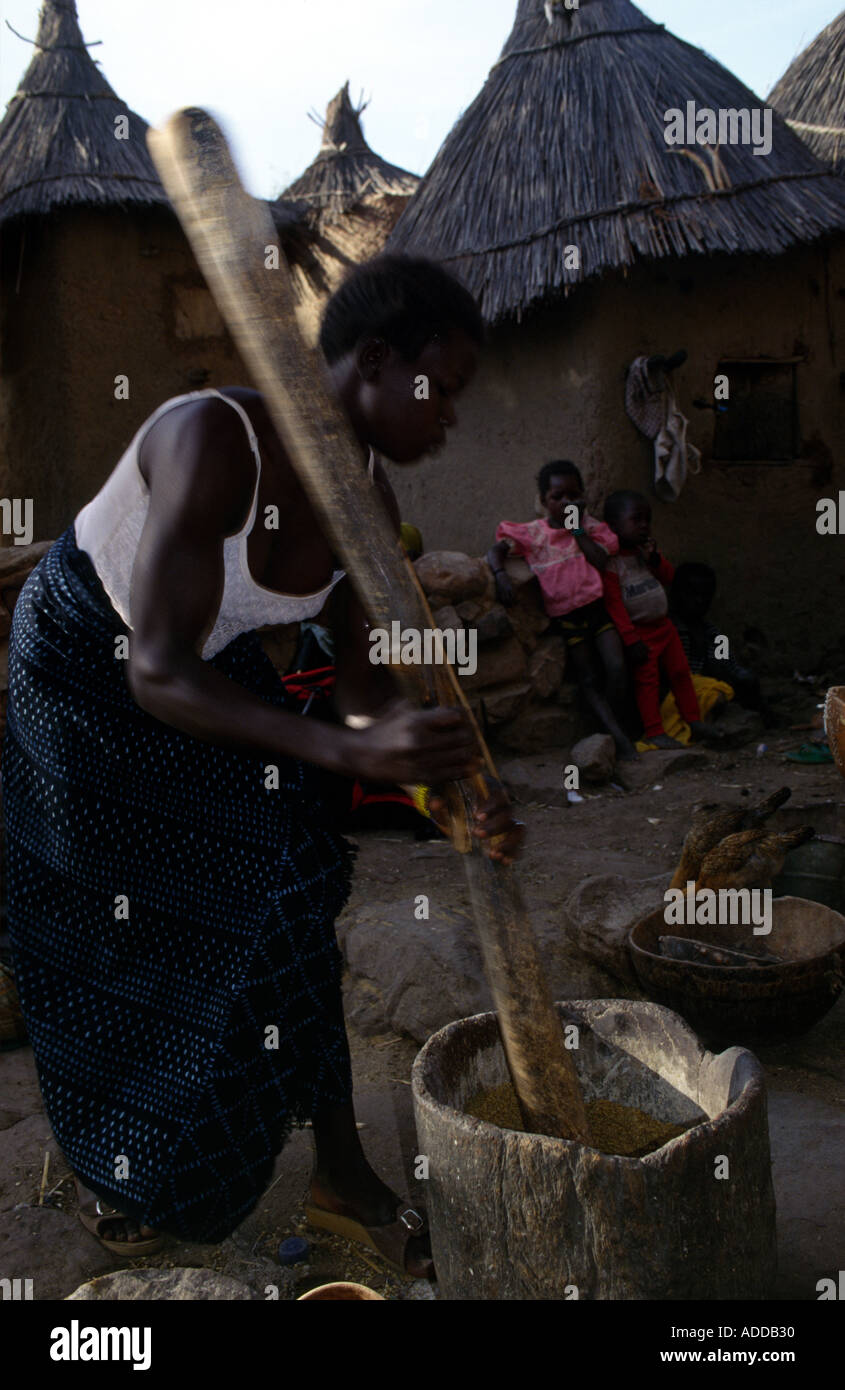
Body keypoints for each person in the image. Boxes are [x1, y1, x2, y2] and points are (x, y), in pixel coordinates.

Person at [1, 254, 523, 1279]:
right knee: (112, 920)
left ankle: (338, 1174)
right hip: (86, 661)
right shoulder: (214, 440)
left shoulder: (364, 503)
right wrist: (346, 747)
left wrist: (439, 785)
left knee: (294, 883)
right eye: (441, 386)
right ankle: (118, 1161)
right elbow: (154, 673)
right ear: (373, 361)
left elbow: (361, 698)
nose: (450, 416)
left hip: (195, 668)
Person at [487, 461, 638, 759]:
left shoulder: (591, 527)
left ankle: (617, 728)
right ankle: (616, 738)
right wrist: (500, 574)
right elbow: (497, 551)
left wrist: (578, 529)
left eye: (573, 496)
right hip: (568, 620)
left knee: (618, 668)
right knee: (588, 679)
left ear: (582, 498)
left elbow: (598, 561)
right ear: (544, 501)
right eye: (558, 497)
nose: (567, 503)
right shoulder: (534, 534)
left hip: (598, 612)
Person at [601, 491, 721, 749]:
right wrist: (631, 640)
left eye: (647, 519)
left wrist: (654, 559)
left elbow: (671, 579)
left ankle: (693, 721)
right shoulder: (611, 563)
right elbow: (614, 606)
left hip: (665, 627)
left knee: (681, 673)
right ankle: (654, 731)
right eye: (636, 519)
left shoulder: (644, 553)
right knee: (648, 682)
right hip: (641, 632)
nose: (644, 525)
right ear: (613, 526)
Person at [669, 562, 775, 726]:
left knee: (745, 683)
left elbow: (731, 667)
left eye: (705, 596)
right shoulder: (670, 632)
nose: (699, 601)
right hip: (684, 693)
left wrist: (746, 680)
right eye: (691, 595)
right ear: (676, 595)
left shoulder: (714, 634)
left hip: (715, 688)